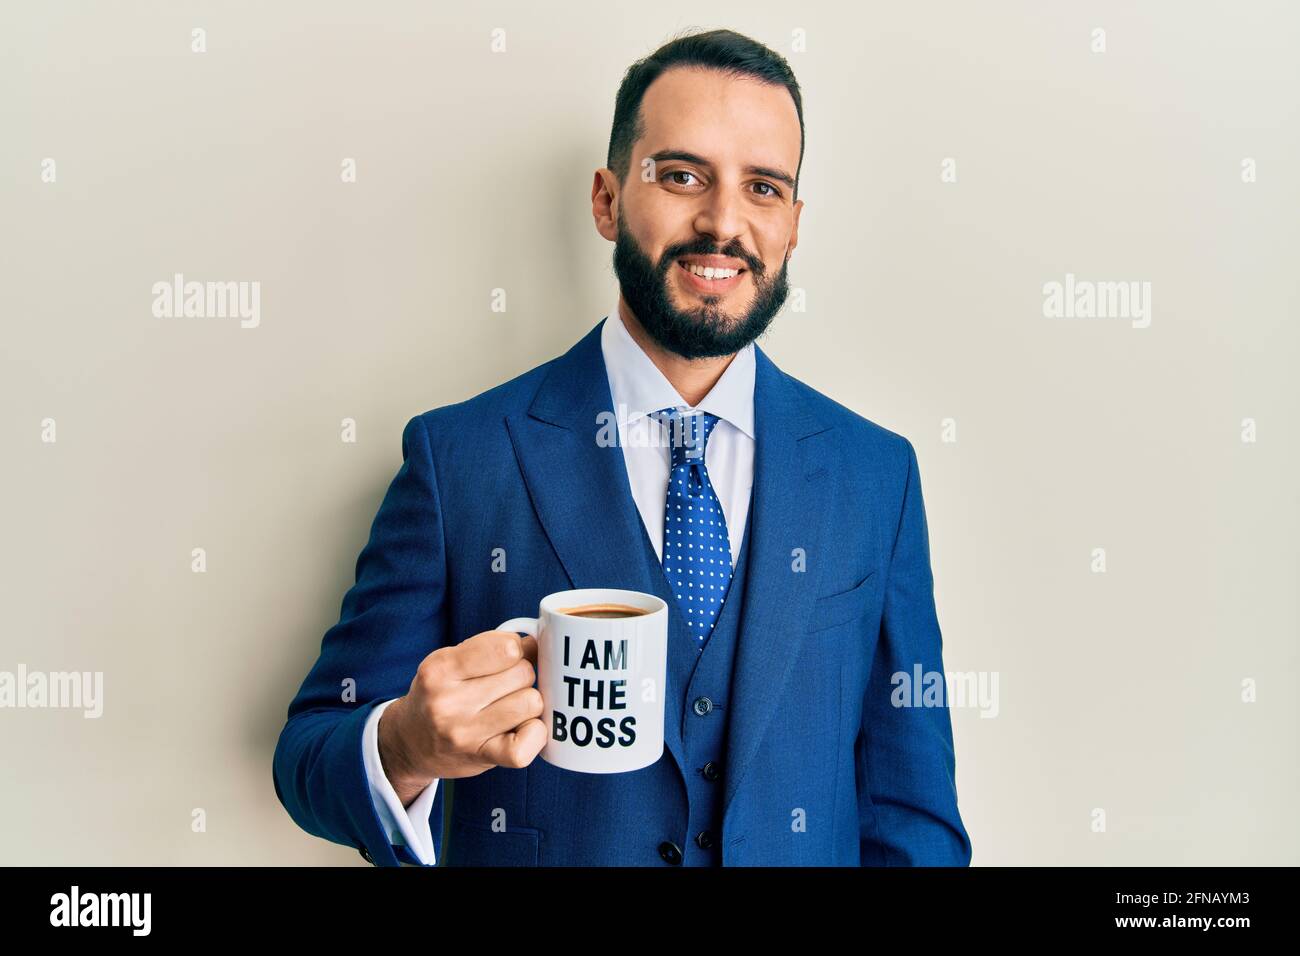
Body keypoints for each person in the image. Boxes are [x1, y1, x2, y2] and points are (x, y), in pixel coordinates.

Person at [273, 28, 972, 867]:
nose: (723, 223)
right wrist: (408, 746)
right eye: (682, 177)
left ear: (791, 224)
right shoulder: (460, 459)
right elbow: (306, 753)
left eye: (762, 188)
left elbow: (912, 814)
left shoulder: (875, 476)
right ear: (607, 200)